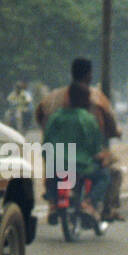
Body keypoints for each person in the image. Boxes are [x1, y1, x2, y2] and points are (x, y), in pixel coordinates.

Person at [36, 58, 125, 220]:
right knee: (111, 170)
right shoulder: (95, 101)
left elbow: (42, 125)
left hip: (57, 158)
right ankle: (99, 206)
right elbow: (100, 138)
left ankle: (52, 202)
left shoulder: (52, 101)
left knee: (51, 166)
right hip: (83, 160)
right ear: (90, 75)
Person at [42, 81, 111, 226]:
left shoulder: (56, 117)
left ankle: (53, 203)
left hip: (57, 165)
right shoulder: (88, 119)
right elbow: (95, 147)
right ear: (86, 100)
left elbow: (46, 142)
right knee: (104, 175)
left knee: (50, 174)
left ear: (67, 98)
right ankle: (89, 203)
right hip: (82, 166)